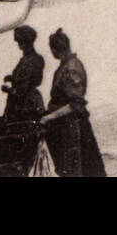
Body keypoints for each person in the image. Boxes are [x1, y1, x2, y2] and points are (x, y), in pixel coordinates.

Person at [40, 29, 107, 177]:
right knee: (76, 167)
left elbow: (76, 104)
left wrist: (49, 117)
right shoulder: (68, 65)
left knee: (76, 168)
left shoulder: (71, 68)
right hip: (66, 126)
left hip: (72, 127)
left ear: (55, 50)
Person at [2, 25, 45, 122]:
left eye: (19, 42)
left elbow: (22, 90)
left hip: (24, 105)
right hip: (33, 100)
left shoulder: (28, 61)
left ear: (22, 44)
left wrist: (8, 89)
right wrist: (12, 78)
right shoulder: (37, 58)